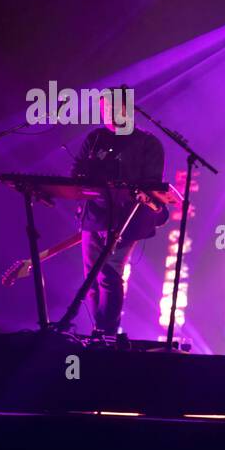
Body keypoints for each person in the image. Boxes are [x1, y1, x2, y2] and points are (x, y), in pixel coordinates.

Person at [72, 93, 165, 336]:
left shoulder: (147, 143)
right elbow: (77, 174)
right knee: (91, 278)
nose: (108, 113)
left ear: (128, 109)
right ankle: (98, 332)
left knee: (108, 274)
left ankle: (107, 334)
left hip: (127, 218)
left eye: (113, 108)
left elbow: (151, 184)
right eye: (104, 109)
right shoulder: (95, 138)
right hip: (93, 216)